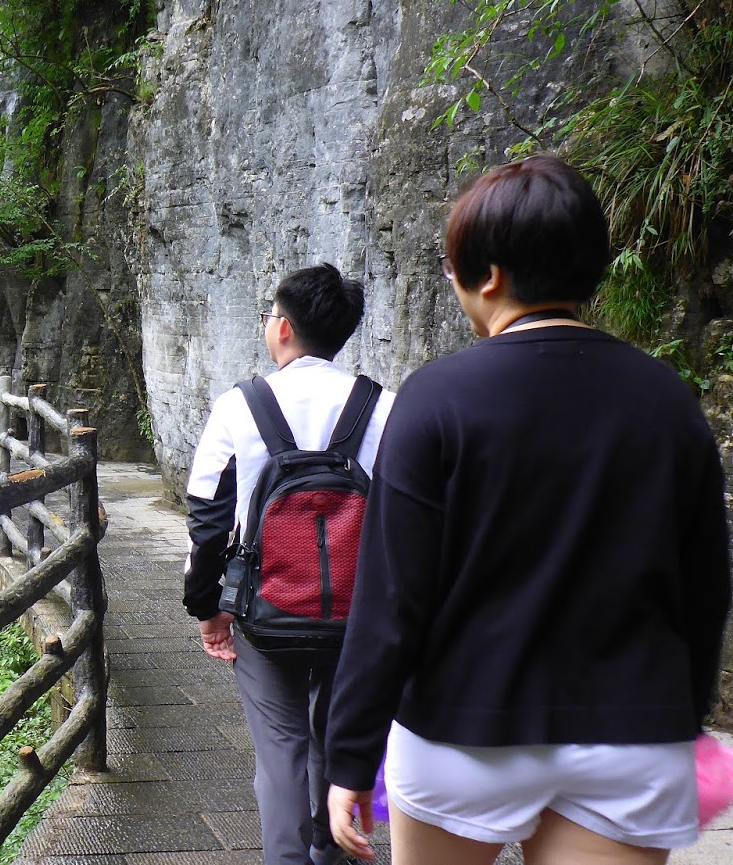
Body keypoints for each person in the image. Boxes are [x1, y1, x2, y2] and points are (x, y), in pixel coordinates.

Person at [325, 154, 732, 865]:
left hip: (463, 732)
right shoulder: (667, 400)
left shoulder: (438, 398)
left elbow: (391, 601)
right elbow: (705, 590)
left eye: (453, 269)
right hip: (632, 737)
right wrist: (683, 718)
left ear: (490, 277)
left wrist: (350, 758)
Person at [184, 263, 395, 865]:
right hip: (358, 617)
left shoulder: (238, 406)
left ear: (283, 328)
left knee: (281, 747)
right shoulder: (382, 407)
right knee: (338, 736)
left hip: (265, 613)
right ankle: (331, 855)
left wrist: (207, 609)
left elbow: (208, 521)